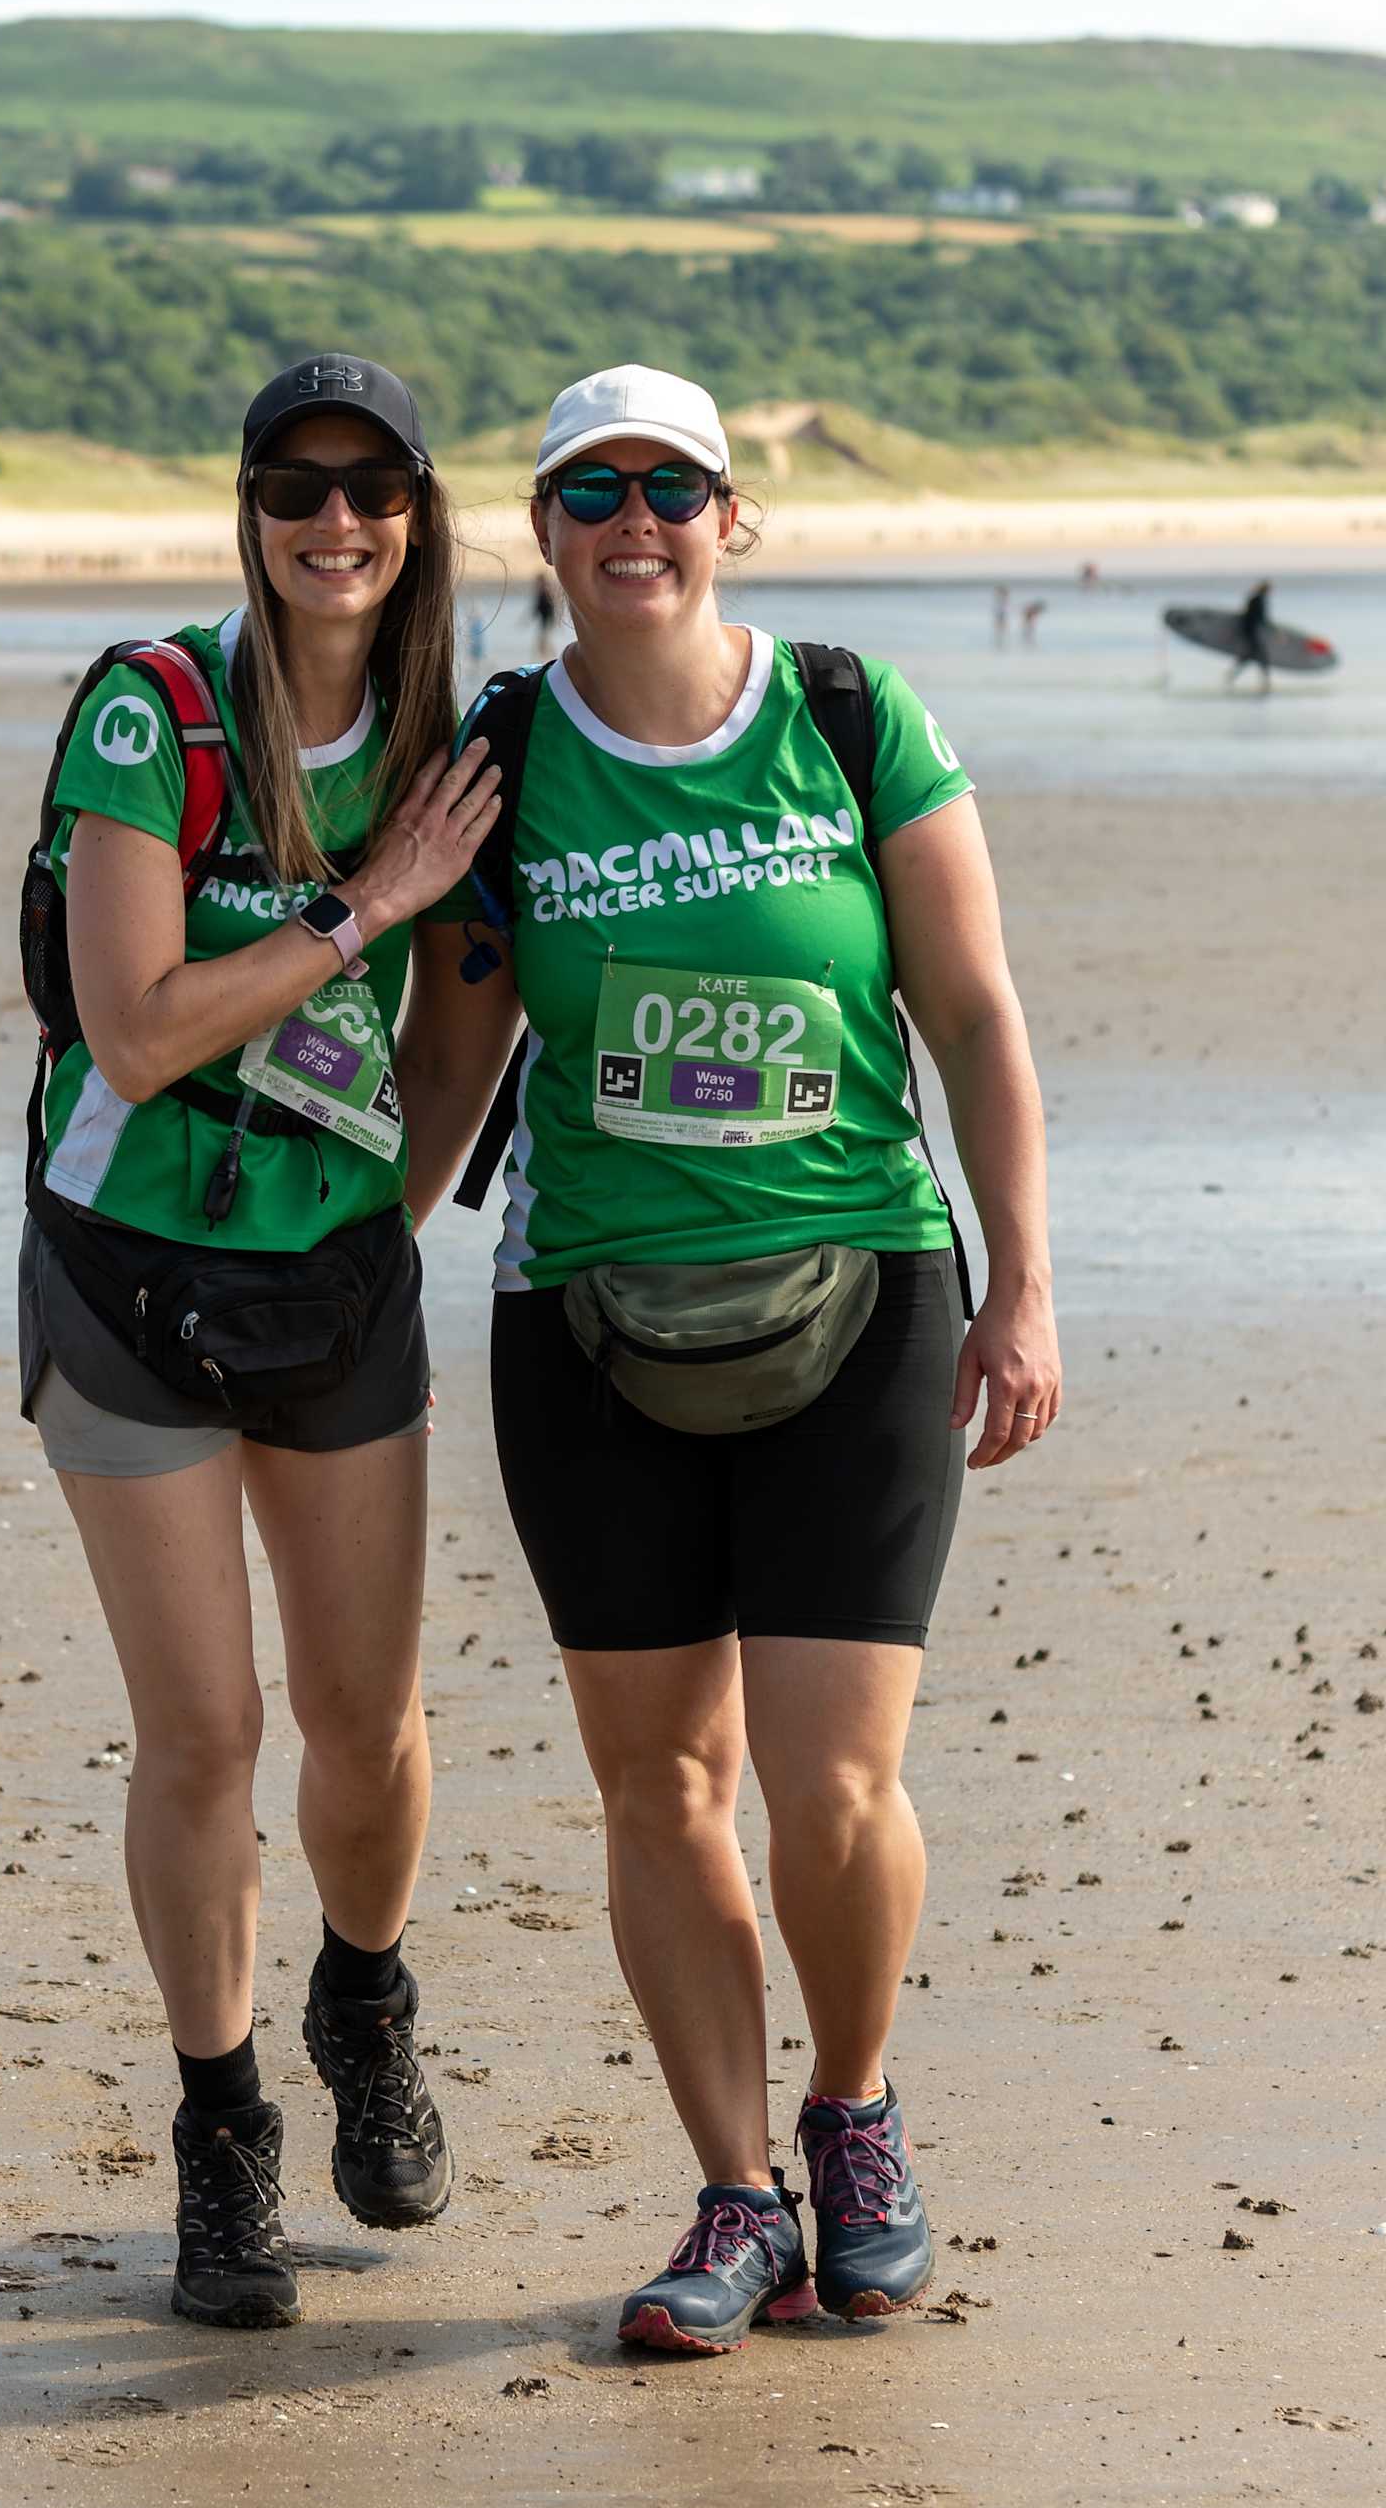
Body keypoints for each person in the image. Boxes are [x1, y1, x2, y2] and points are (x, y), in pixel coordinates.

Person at [393, 365, 1060, 2357]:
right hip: (584, 1319)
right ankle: (736, 2188)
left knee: (835, 1778)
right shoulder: (499, 756)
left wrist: (1022, 1283)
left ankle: (855, 2115)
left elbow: (976, 1012)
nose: (632, 520)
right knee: (658, 1775)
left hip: (863, 1295)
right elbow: (447, 1051)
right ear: (541, 532)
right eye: (587, 490)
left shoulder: (853, 720)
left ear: (730, 516)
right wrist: (347, 1263)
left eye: (669, 487)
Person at [19, 355, 501, 2333]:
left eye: (371, 489)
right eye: (298, 487)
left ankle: (364, 1988)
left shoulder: (460, 742)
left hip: (331, 1287)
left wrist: (368, 1232)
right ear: (250, 505)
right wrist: (354, 902)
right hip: (120, 1266)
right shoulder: (153, 708)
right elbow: (129, 1026)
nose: (335, 523)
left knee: (364, 1728)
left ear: (416, 517)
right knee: (205, 1730)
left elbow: (464, 1030)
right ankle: (224, 2127)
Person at [1231, 578, 1276, 694]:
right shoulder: (1258, 600)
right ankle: (1266, 683)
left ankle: (1230, 677)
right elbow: (1261, 619)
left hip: (1250, 632)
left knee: (1249, 656)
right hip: (1252, 632)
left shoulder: (1255, 599)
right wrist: (1275, 631)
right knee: (1262, 656)